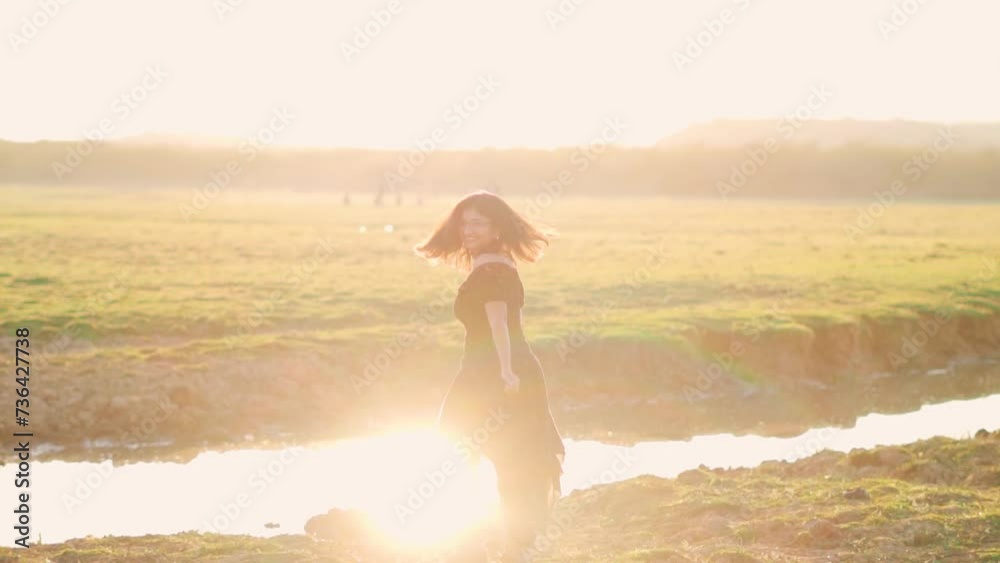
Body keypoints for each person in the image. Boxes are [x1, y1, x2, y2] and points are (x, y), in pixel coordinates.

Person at [413, 190, 566, 562]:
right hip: (489, 368)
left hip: (497, 370)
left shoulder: (492, 268)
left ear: (497, 228)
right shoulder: (493, 261)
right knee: (483, 444)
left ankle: (504, 536)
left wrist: (507, 371)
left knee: (491, 446)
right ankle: (490, 532)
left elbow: (500, 323)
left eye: (477, 223)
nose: (468, 229)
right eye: (464, 222)